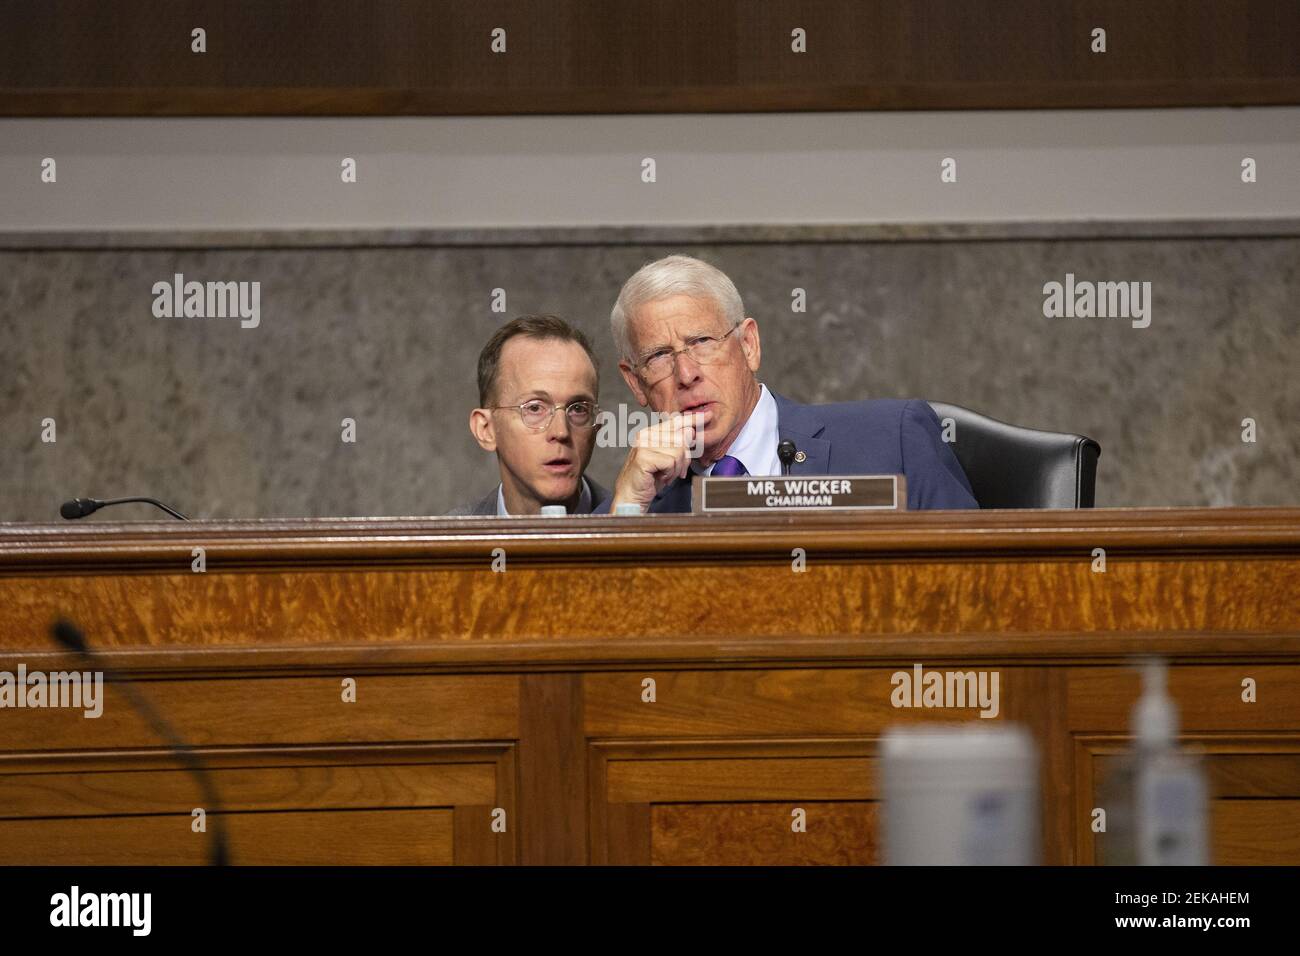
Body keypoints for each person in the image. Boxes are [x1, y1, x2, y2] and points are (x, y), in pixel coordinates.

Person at [605, 255, 977, 513]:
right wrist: (628, 510)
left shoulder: (892, 443)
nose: (687, 374)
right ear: (636, 383)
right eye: (659, 357)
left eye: (702, 342)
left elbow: (979, 591)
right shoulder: (634, 504)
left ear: (748, 345)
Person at [448, 314, 609, 516]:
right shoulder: (444, 544)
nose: (560, 432)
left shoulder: (640, 530)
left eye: (578, 408)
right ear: (486, 429)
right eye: (534, 408)